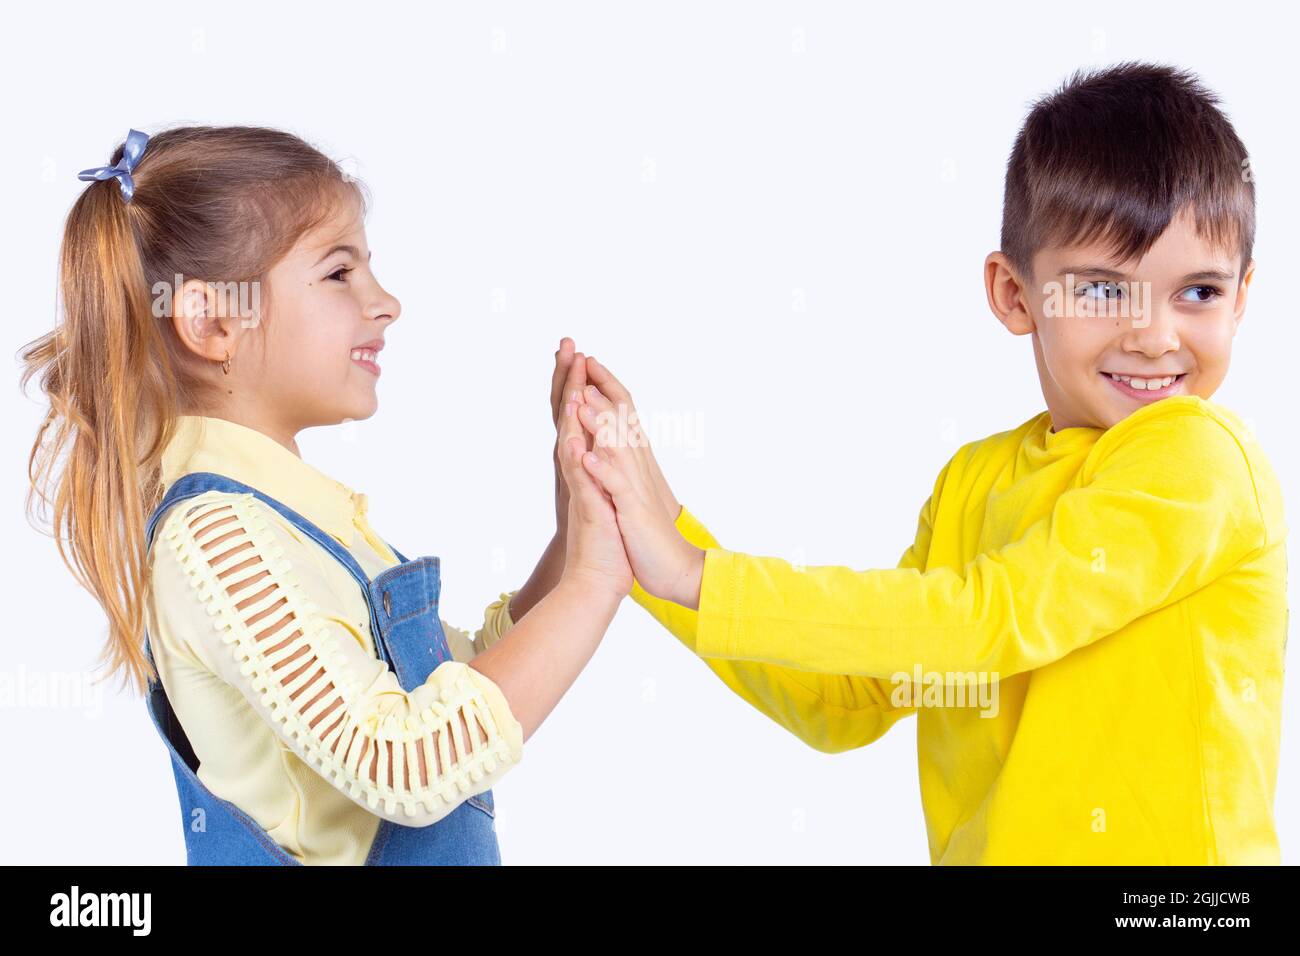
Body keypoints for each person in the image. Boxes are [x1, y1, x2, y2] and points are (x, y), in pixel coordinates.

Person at [572, 62, 1288, 864]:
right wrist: (651, 536)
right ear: (1015, 295)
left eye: (1198, 292)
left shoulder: (1199, 458)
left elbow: (985, 622)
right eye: (1103, 291)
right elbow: (849, 696)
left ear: (1244, 294)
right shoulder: (973, 483)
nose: (1156, 336)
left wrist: (691, 571)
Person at [23, 124, 630, 865]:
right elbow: (409, 764)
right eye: (340, 274)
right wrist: (596, 583)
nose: (387, 303)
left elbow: (447, 687)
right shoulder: (218, 538)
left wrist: (574, 539)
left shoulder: (295, 522)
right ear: (214, 321)